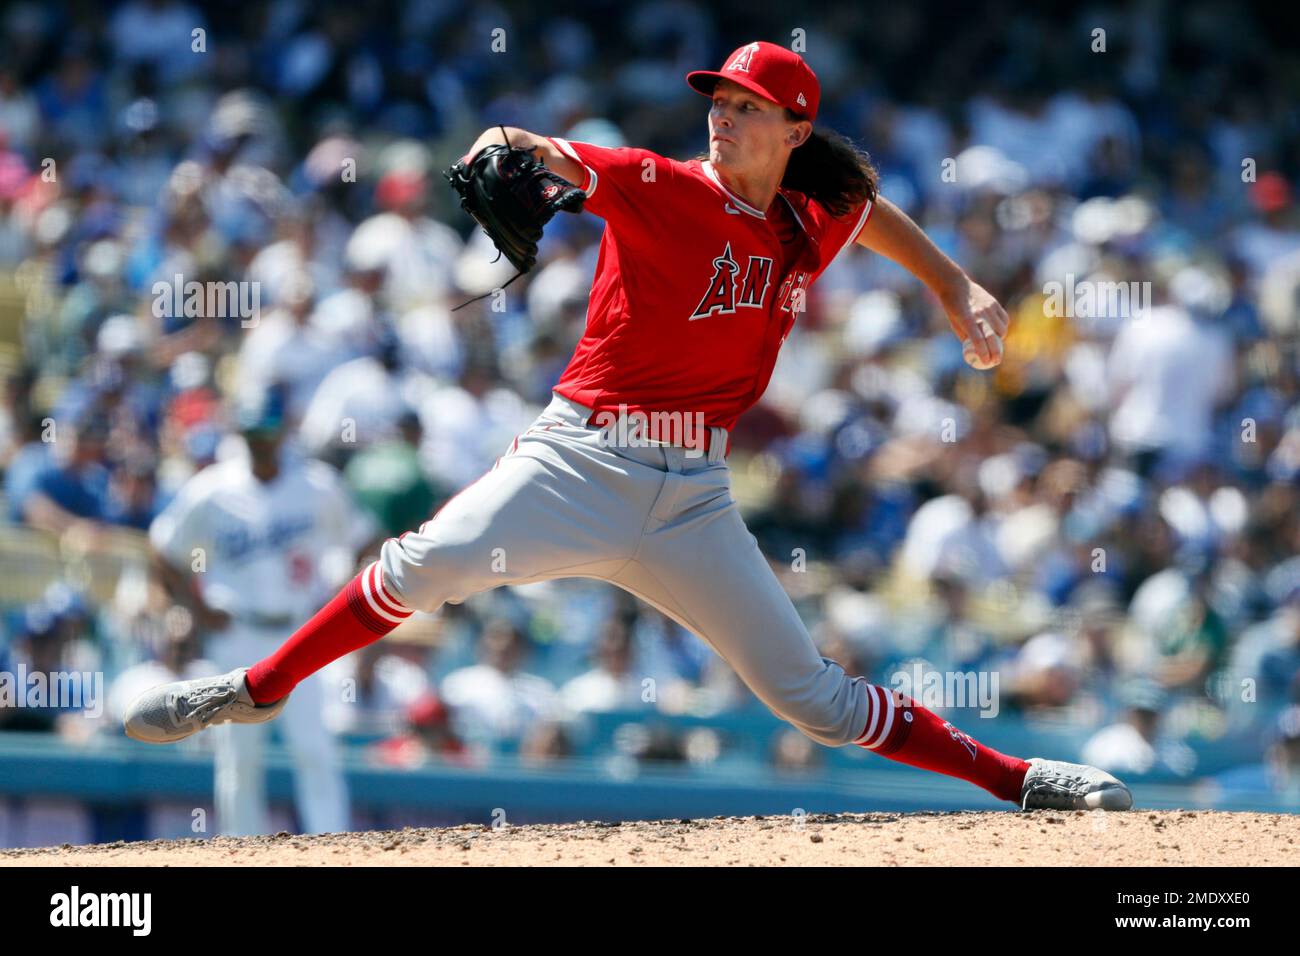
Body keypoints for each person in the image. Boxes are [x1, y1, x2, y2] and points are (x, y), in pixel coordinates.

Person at [125, 41, 1132, 812]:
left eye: (745, 110)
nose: (721, 121)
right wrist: (505, 147)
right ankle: (257, 685)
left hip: (693, 497)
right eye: (718, 104)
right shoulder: (663, 187)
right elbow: (559, 155)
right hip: (581, 461)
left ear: (791, 128)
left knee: (814, 698)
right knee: (416, 567)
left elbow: (866, 207)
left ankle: (1020, 781)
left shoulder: (804, 218)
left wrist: (957, 290)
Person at [139, 389, 377, 835]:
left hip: (299, 628)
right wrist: (196, 608)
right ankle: (239, 849)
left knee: (315, 748)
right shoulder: (213, 489)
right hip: (238, 631)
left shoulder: (316, 484)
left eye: (267, 434)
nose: (260, 443)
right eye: (252, 435)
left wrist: (336, 591)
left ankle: (333, 845)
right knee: (238, 754)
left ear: (283, 432)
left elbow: (366, 536)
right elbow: (163, 547)